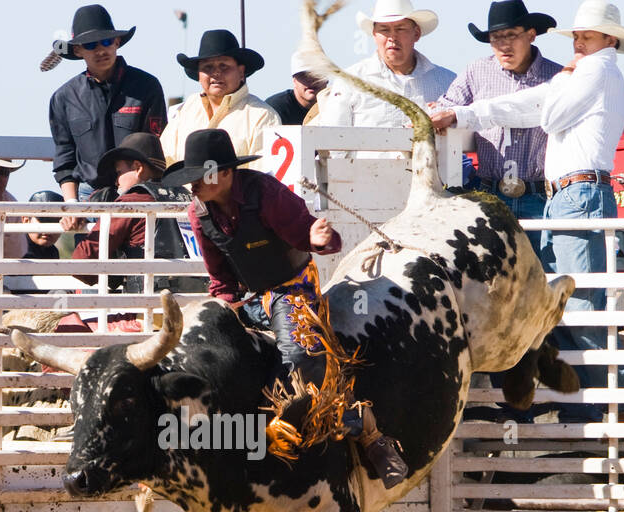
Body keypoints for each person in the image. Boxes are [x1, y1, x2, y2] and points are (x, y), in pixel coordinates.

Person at [434, 1, 624, 424]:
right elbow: (533, 103)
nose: (578, 43)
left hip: (566, 193)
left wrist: (555, 89)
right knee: (553, 300)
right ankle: (591, 400)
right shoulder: (579, 73)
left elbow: (546, 114)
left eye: (585, 36)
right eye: (577, 36)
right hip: (552, 194)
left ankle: (611, 398)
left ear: (608, 40)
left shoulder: (592, 72)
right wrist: (462, 112)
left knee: (574, 301)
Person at [163, 129, 407, 488]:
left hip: (293, 288)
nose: (194, 185)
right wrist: (224, 311)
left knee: (299, 355)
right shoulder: (199, 215)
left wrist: (316, 239)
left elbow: (308, 232)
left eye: (202, 176)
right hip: (246, 298)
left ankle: (362, 427)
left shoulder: (265, 192)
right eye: (191, 178)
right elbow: (219, 278)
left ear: (227, 173)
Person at [429, 1, 561, 241]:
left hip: (541, 197)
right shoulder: (476, 72)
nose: (503, 45)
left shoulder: (558, 77)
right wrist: (436, 112)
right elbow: (445, 108)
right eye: (496, 38)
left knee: (546, 273)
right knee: (489, 276)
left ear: (531, 35)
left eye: (511, 35)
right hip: (489, 194)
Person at [48, 4, 166, 210]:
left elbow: (156, 147)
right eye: (91, 44)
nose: (101, 50)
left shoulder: (147, 86)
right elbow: (64, 160)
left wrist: (136, 192)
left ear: (117, 42)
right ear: (78, 50)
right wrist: (73, 206)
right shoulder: (63, 97)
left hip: (140, 193)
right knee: (88, 244)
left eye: (106, 41)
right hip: (88, 195)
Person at [70, 132, 199, 293]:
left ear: (138, 168)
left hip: (149, 304)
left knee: (69, 319)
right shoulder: (186, 196)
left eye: (119, 173)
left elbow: (82, 260)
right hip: (197, 297)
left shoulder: (131, 202)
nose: (117, 181)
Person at [317, 0, 455, 129]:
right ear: (374, 34)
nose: (392, 37)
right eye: (384, 29)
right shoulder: (349, 82)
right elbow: (333, 145)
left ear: (416, 33)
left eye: (400, 29)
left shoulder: (449, 83)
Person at [160, 29, 280, 173]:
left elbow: (265, 179)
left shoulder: (262, 116)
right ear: (199, 74)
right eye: (208, 67)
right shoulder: (183, 112)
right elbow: (164, 163)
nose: (216, 73)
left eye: (224, 66)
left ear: (241, 72)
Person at [265, 53, 328, 126]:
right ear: (294, 80)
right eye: (304, 75)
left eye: (317, 74)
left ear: (326, 78)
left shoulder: (336, 106)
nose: (311, 80)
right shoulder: (275, 108)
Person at [25, 190, 65, 260]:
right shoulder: (16, 247)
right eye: (42, 222)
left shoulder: (52, 251)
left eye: (54, 223)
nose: (47, 230)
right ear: (26, 220)